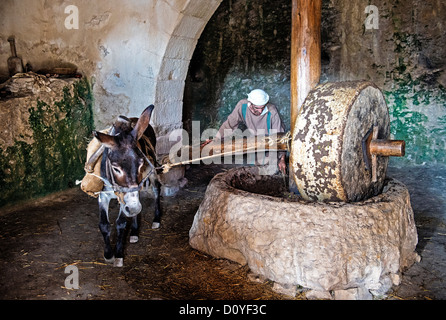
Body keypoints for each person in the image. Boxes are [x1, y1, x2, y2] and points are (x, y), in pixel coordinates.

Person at [202, 89, 286, 174]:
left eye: (263, 107)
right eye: (257, 108)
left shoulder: (272, 112)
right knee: (253, 166)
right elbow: (229, 124)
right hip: (255, 142)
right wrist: (216, 139)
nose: (260, 111)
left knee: (272, 168)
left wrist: (282, 159)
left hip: (270, 144)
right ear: (250, 104)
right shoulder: (242, 106)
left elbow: (280, 138)